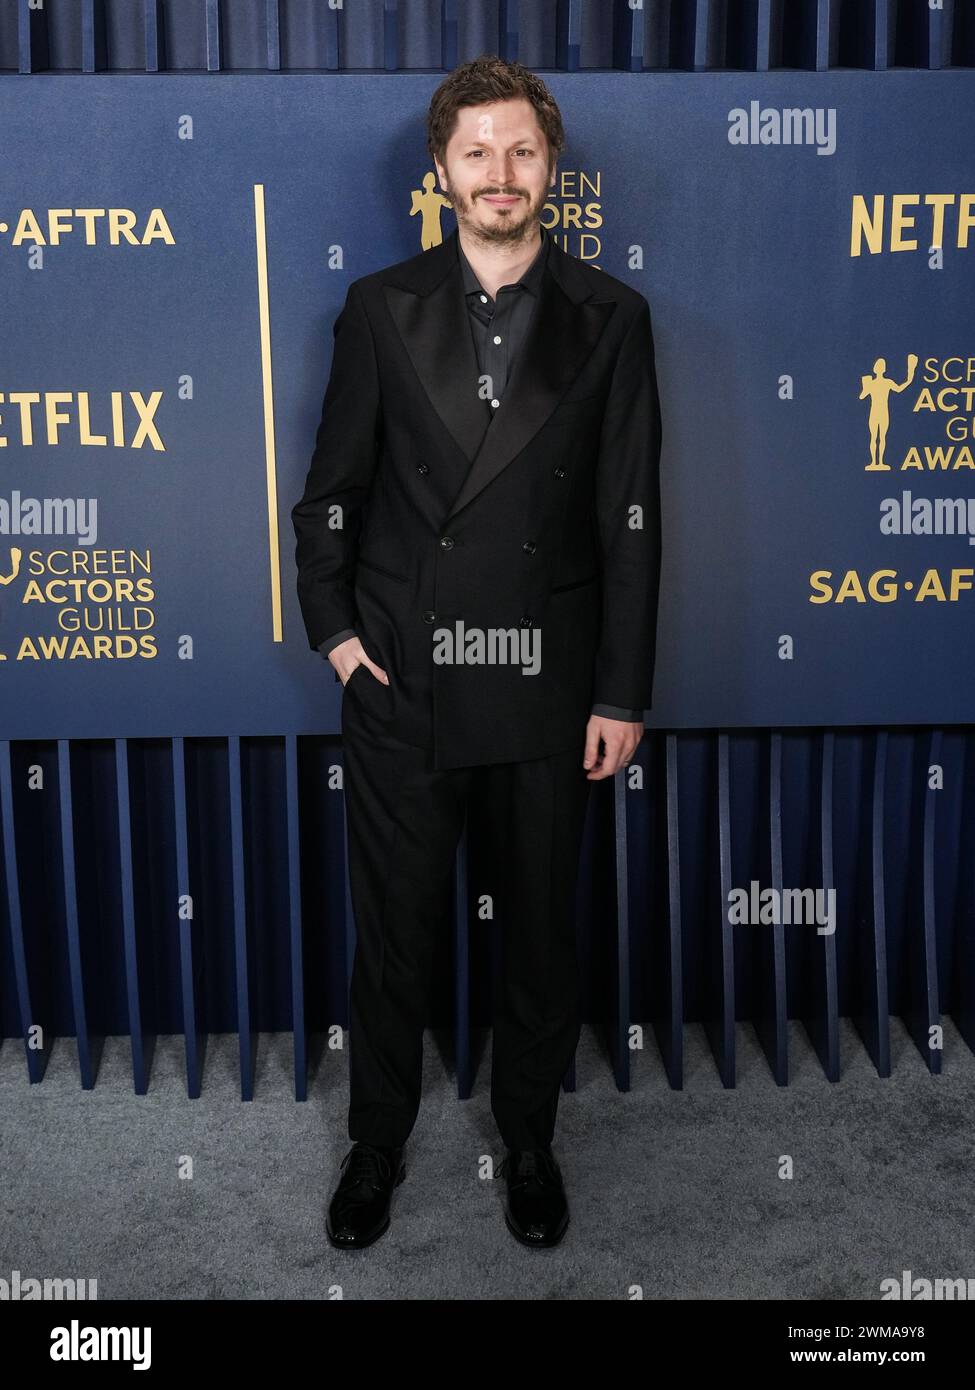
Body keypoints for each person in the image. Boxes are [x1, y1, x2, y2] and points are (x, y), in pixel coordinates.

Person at [291, 54, 662, 1250]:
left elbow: (630, 519)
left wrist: (620, 691)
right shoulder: (378, 307)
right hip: (404, 680)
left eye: (522, 151)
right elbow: (330, 494)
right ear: (440, 171)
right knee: (395, 938)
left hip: (549, 687)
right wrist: (338, 637)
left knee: (541, 936)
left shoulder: (613, 317)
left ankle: (531, 1142)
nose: (501, 172)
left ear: (551, 167)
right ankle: (376, 1143)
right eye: (477, 152)